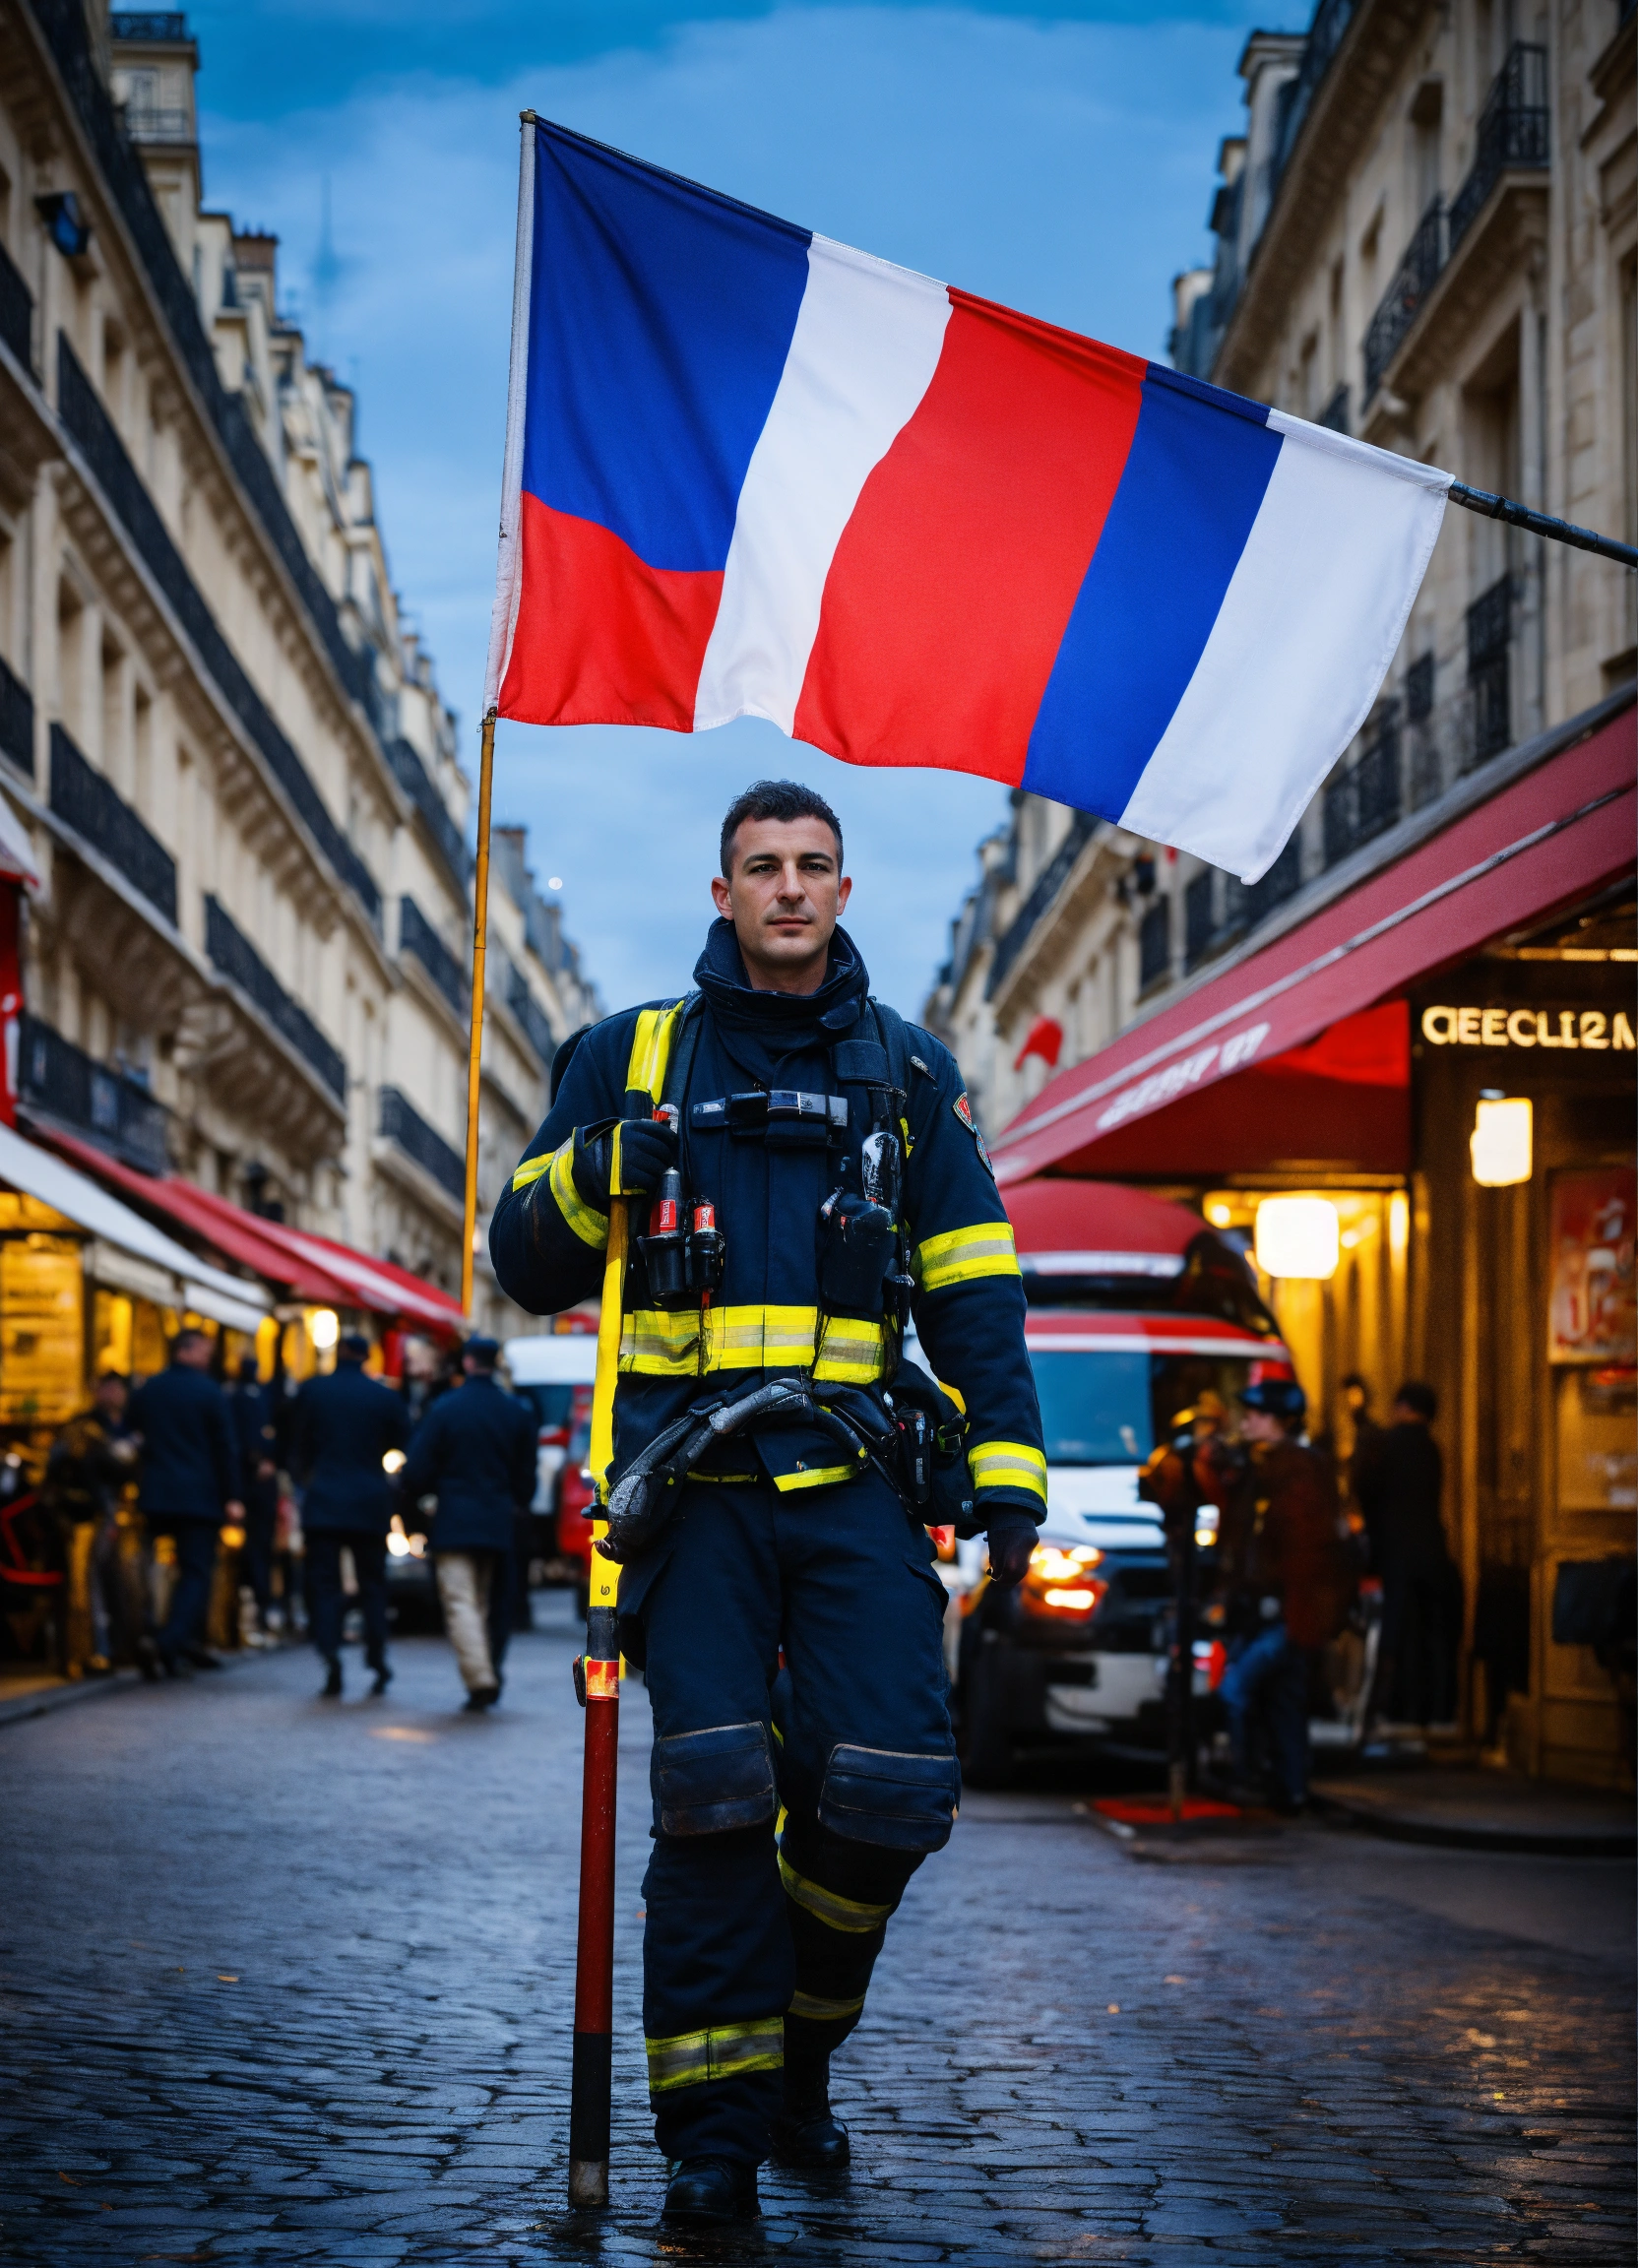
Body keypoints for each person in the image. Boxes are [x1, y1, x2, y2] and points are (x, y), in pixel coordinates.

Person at [488, 780, 1044, 2224]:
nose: (788, 888)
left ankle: (802, 2052)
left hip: (853, 1480)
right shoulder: (627, 1057)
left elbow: (978, 1292)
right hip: (694, 1500)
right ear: (721, 890)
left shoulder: (911, 1077)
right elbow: (523, 1255)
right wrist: (597, 1170)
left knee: (893, 1787)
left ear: (845, 893)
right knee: (720, 1804)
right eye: (761, 867)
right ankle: (715, 2147)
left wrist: (1009, 1473)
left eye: (813, 867)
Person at [1217, 1379, 1352, 1811]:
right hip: (1280, 1610)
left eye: (1257, 1414)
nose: (1247, 1421)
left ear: (1279, 1423)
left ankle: (1251, 1778)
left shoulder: (1294, 1472)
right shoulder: (1266, 1469)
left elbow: (1303, 1549)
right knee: (1283, 1702)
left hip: (1285, 1611)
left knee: (1238, 1691)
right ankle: (1287, 1787)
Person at [401, 1336, 537, 1712]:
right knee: (495, 1602)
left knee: (460, 1601)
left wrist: (424, 1502)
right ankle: (491, 1669)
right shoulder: (515, 1411)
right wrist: (517, 1502)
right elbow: (527, 1476)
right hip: (499, 1520)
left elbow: (416, 1470)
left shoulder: (446, 1409)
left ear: (466, 1362)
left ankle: (480, 1679)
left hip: (454, 1520)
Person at [289, 1332, 409, 1699]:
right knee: (373, 1585)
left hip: (323, 1499)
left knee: (323, 1585)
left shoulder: (312, 1391)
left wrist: (304, 1480)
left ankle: (330, 1655)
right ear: (366, 1357)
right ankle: (376, 1658)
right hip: (368, 1501)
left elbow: (295, 1442)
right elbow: (403, 1440)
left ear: (338, 1353)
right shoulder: (383, 1396)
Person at [127, 1330, 243, 1677]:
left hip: (156, 1494)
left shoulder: (149, 1389)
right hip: (198, 1497)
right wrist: (233, 1496)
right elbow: (225, 1447)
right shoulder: (208, 1391)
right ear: (186, 1351)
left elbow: (134, 1436)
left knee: (147, 1571)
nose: (209, 1358)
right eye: (204, 1351)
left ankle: (161, 1639)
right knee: (195, 1572)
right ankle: (169, 1641)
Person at [1354, 1381, 1457, 1728]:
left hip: (1396, 1551)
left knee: (1398, 1632)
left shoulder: (1387, 1445)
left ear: (1403, 1407)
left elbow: (1368, 1492)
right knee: (1430, 1632)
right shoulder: (1432, 1449)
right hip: (1430, 1551)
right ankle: (1433, 1708)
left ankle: (1396, 1705)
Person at [43, 1372, 138, 1677]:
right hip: (89, 1513)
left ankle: (115, 1648)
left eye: (116, 1389)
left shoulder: (125, 1425)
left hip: (114, 1512)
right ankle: (92, 1652)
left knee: (114, 1582)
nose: (111, 1394)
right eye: (105, 1388)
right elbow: (59, 1466)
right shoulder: (84, 1426)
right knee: (87, 1583)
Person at [228, 1355, 281, 1640]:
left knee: (255, 1549)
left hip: (241, 1487)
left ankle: (251, 1611)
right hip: (254, 1489)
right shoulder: (256, 1398)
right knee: (259, 1548)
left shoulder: (238, 1397)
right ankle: (257, 1611)